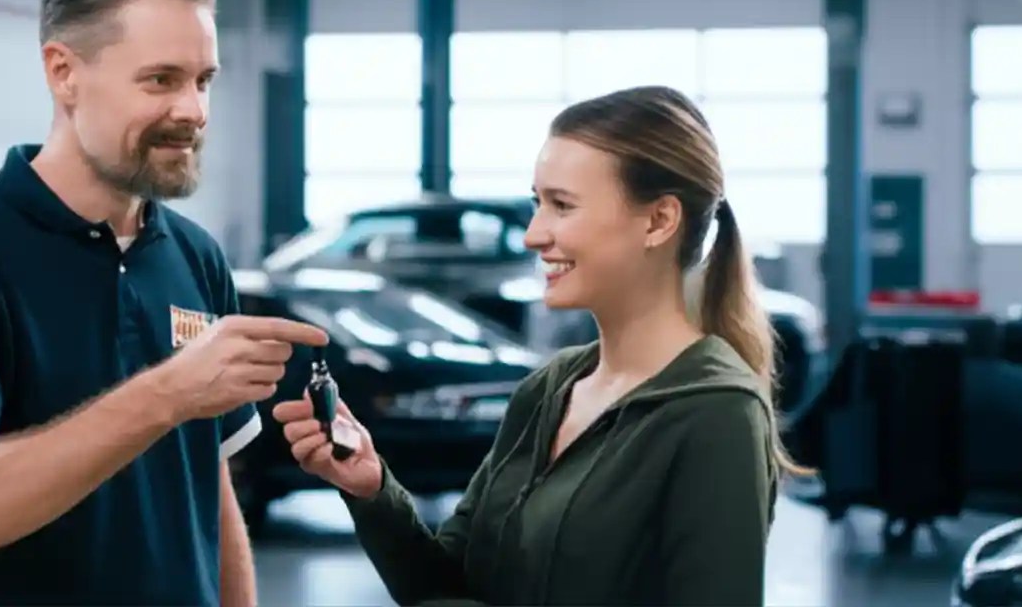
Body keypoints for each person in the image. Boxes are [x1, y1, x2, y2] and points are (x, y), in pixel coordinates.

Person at [0, 0, 327, 607]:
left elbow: (208, 487)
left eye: (204, 80)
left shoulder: (194, 256)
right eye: (161, 79)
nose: (193, 110)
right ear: (63, 73)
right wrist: (166, 394)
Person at [273, 85, 807, 606]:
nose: (533, 233)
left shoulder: (716, 414)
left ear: (659, 219)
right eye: (537, 203)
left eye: (562, 206)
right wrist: (371, 489)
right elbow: (443, 582)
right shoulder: (550, 388)